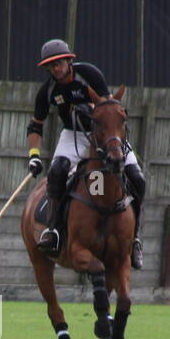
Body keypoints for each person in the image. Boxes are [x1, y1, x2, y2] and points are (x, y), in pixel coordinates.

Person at [26, 39, 147, 269]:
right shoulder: (48, 91)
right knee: (57, 172)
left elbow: (109, 104)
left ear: (69, 61)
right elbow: (35, 125)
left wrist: (91, 110)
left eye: (58, 63)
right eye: (50, 66)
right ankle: (53, 231)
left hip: (103, 134)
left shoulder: (89, 74)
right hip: (73, 135)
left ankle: (136, 239)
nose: (55, 69)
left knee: (137, 178)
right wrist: (33, 155)